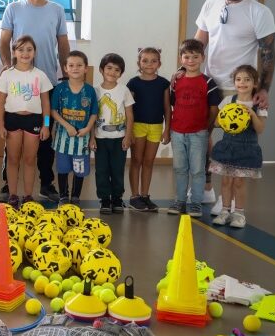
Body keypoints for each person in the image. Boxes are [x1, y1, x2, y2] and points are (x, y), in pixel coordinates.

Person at [194, 0, 275, 207]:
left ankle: (228, 199)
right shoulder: (210, 5)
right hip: (209, 84)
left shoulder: (259, 12)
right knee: (201, 137)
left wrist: (264, 89)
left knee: (236, 144)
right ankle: (207, 188)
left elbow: (268, 53)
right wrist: (185, 72)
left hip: (239, 88)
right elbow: (198, 44)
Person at [0, 0, 71, 203]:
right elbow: (4, 42)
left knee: (44, 136)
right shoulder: (13, 9)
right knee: (13, 140)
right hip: (18, 87)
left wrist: (66, 72)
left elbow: (63, 44)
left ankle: (46, 183)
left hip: (47, 81)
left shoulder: (57, 10)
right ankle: (9, 185)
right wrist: (9, 67)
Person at [0, 35, 53, 209]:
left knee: (29, 159)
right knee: (13, 159)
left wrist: (46, 125)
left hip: (33, 120)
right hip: (12, 120)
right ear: (14, 52)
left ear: (35, 52)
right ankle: (13, 194)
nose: (25, 53)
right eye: (20, 50)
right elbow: (0, 102)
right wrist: (0, 125)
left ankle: (28, 195)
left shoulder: (40, 75)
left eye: (29, 49)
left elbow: (46, 103)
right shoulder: (7, 75)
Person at [166, 39, 221, 217]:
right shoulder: (176, 82)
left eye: (195, 57)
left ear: (202, 58)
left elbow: (214, 109)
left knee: (197, 169)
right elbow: (172, 104)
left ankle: (196, 203)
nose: (191, 60)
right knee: (179, 168)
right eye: (187, 57)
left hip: (199, 133)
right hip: (177, 132)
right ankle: (180, 201)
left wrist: (206, 128)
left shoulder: (208, 82)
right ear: (181, 59)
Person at [210, 65, 267, 229]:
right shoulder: (228, 101)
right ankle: (225, 211)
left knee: (239, 182)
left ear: (255, 83)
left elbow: (260, 129)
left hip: (246, 150)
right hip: (228, 147)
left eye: (247, 80)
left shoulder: (258, 104)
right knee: (226, 181)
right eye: (239, 79)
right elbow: (216, 123)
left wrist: (252, 114)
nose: (242, 83)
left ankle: (239, 214)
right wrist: (227, 115)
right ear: (234, 82)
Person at [49, 50, 97, 207]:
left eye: (79, 65)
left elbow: (94, 113)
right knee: (62, 169)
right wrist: (67, 126)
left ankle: (75, 196)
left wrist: (88, 130)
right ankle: (63, 196)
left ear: (85, 68)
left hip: (82, 140)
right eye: (71, 65)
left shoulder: (90, 91)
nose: (75, 68)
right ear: (65, 68)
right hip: (62, 139)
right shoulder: (60, 89)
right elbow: (52, 111)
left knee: (79, 169)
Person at [126, 47, 170, 212]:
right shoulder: (133, 83)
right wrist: (129, 131)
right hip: (137, 126)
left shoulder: (163, 83)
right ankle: (134, 196)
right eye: (145, 60)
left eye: (153, 61)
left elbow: (167, 108)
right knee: (136, 160)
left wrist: (167, 129)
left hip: (156, 126)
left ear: (159, 63)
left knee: (149, 161)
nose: (149, 64)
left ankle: (145, 195)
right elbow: (128, 109)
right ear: (139, 63)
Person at [92, 53, 135, 214]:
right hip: (100, 138)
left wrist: (128, 136)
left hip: (119, 139)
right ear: (101, 70)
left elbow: (130, 115)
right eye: (109, 68)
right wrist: (91, 138)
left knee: (117, 170)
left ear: (121, 73)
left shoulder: (124, 90)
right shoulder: (95, 91)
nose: (112, 72)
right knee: (102, 170)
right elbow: (92, 116)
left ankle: (117, 198)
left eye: (117, 70)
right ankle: (104, 199)